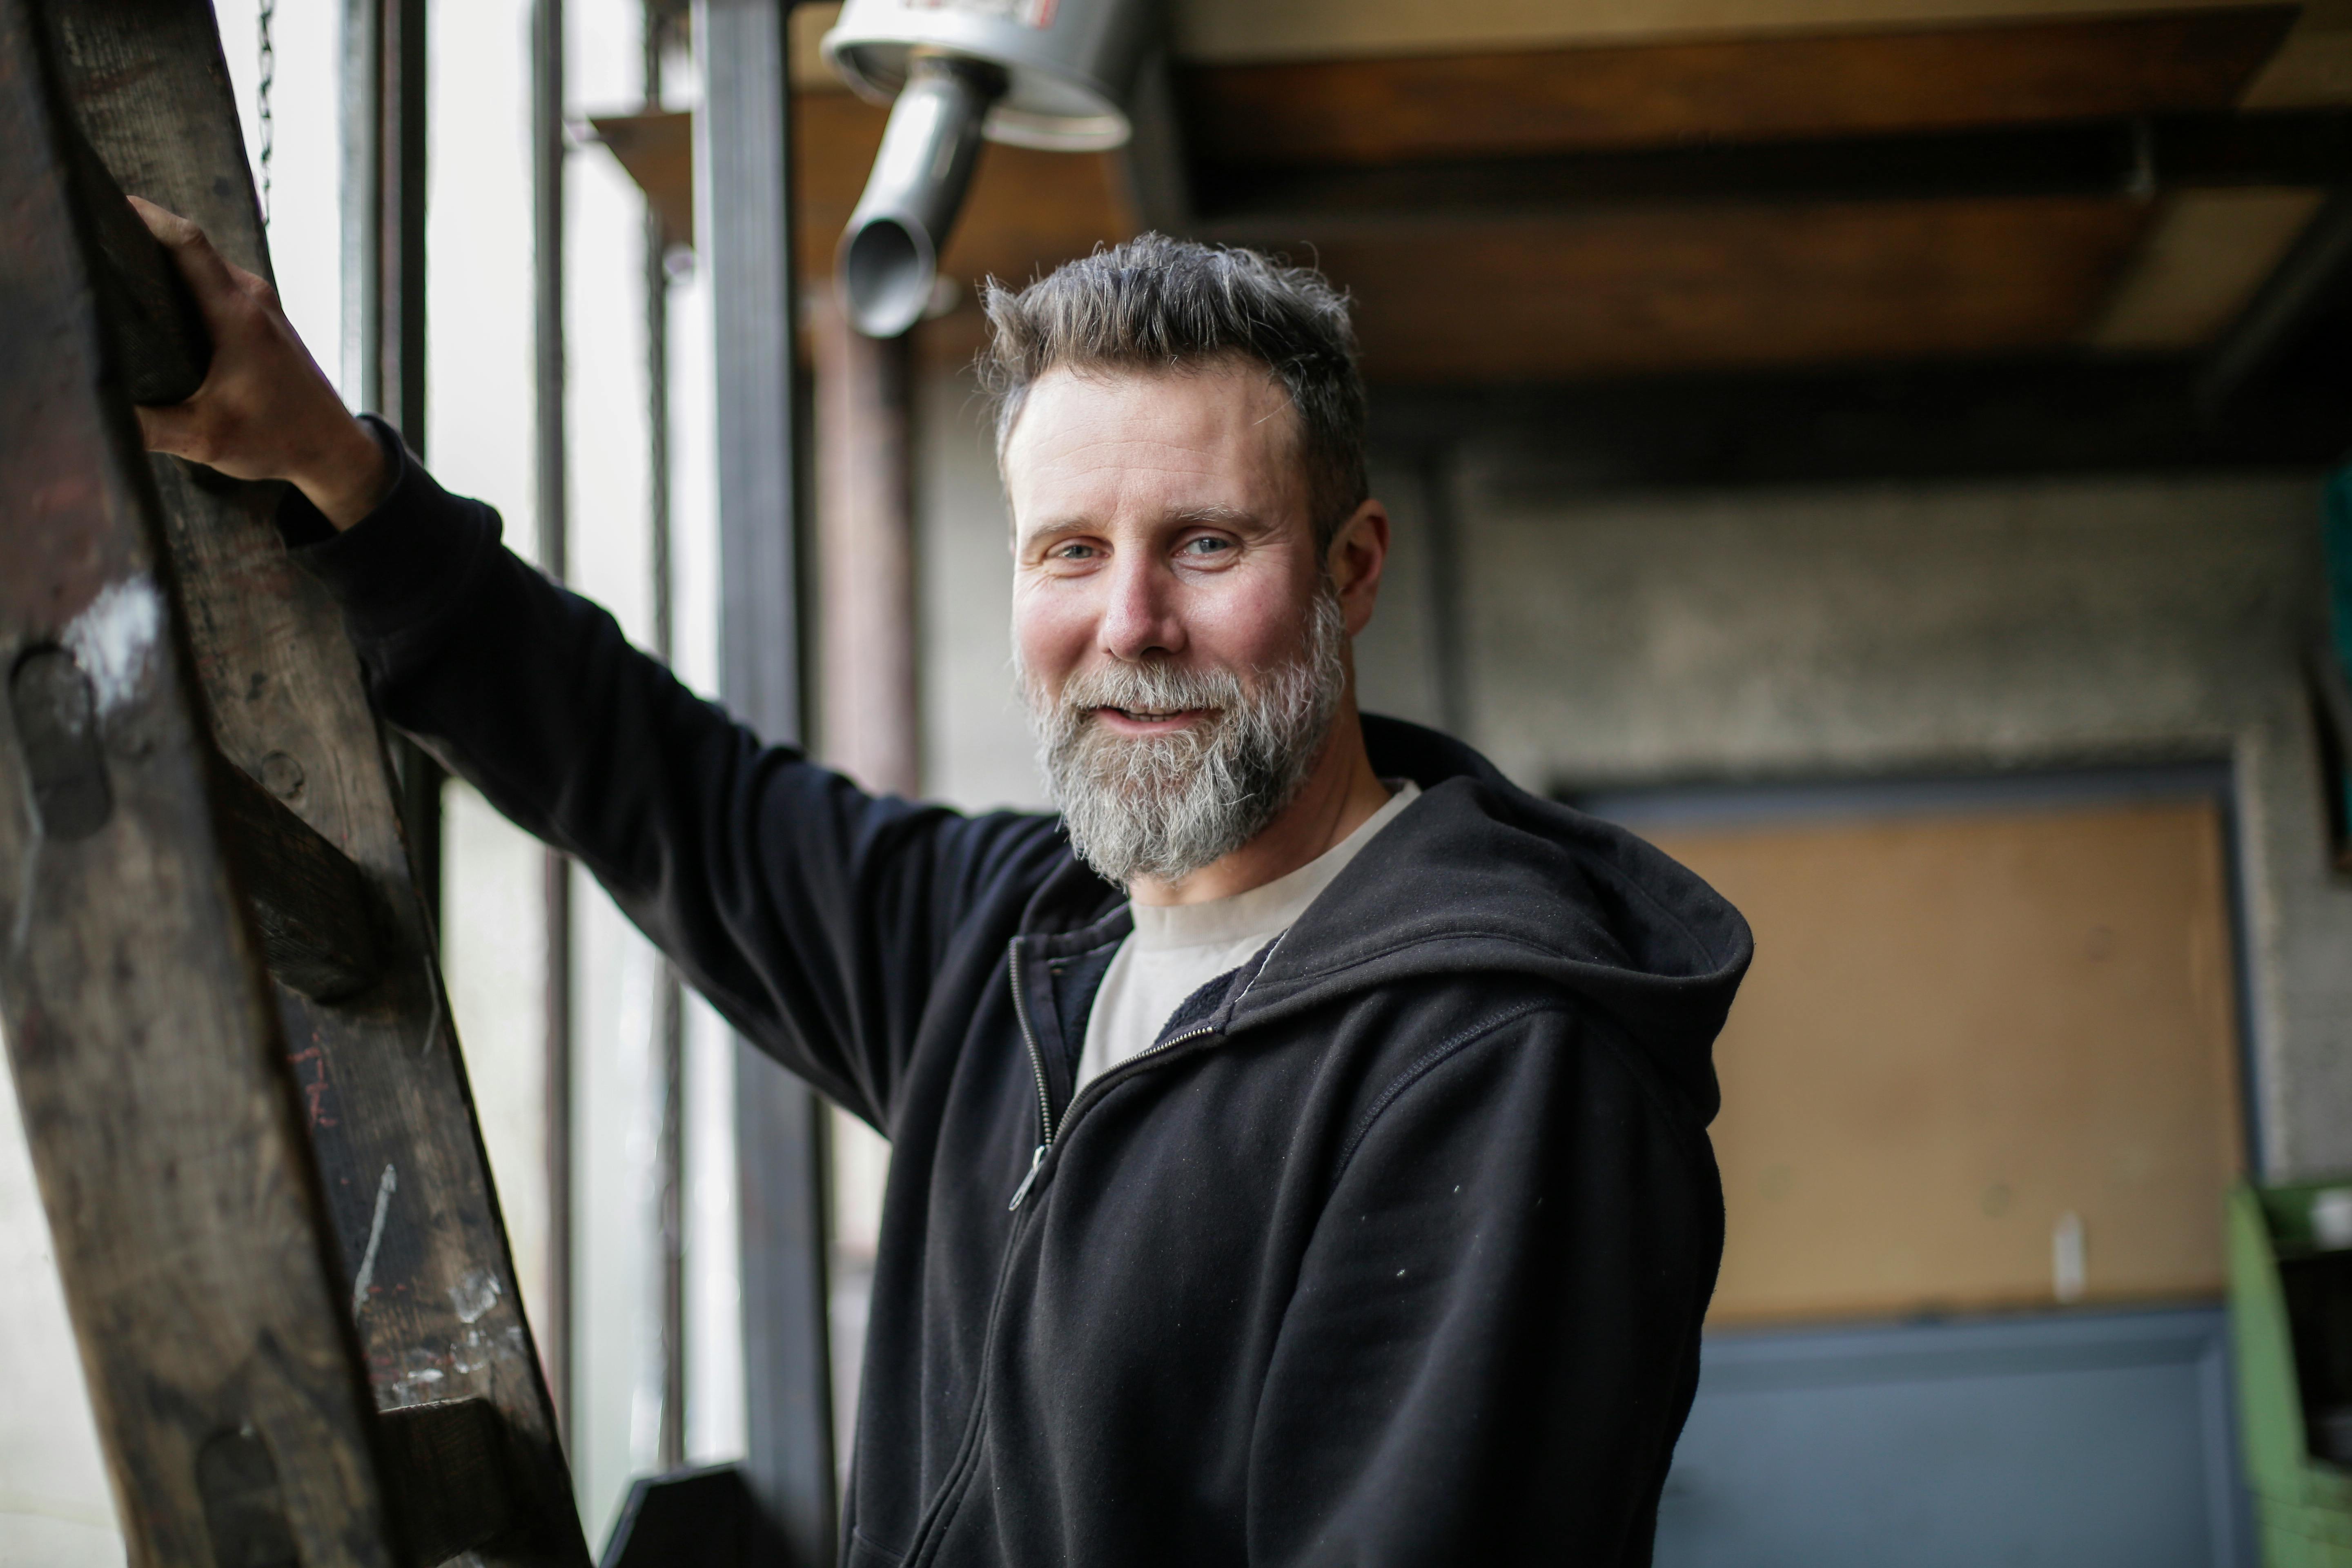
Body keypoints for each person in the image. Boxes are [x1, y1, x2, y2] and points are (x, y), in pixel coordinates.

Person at [135, 200, 1753, 1567]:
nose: (1130, 622)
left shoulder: (1503, 1064)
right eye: (1069, 550)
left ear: (1350, 570)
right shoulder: (1017, 943)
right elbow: (660, 789)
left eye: (1205, 544)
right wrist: (337, 473)